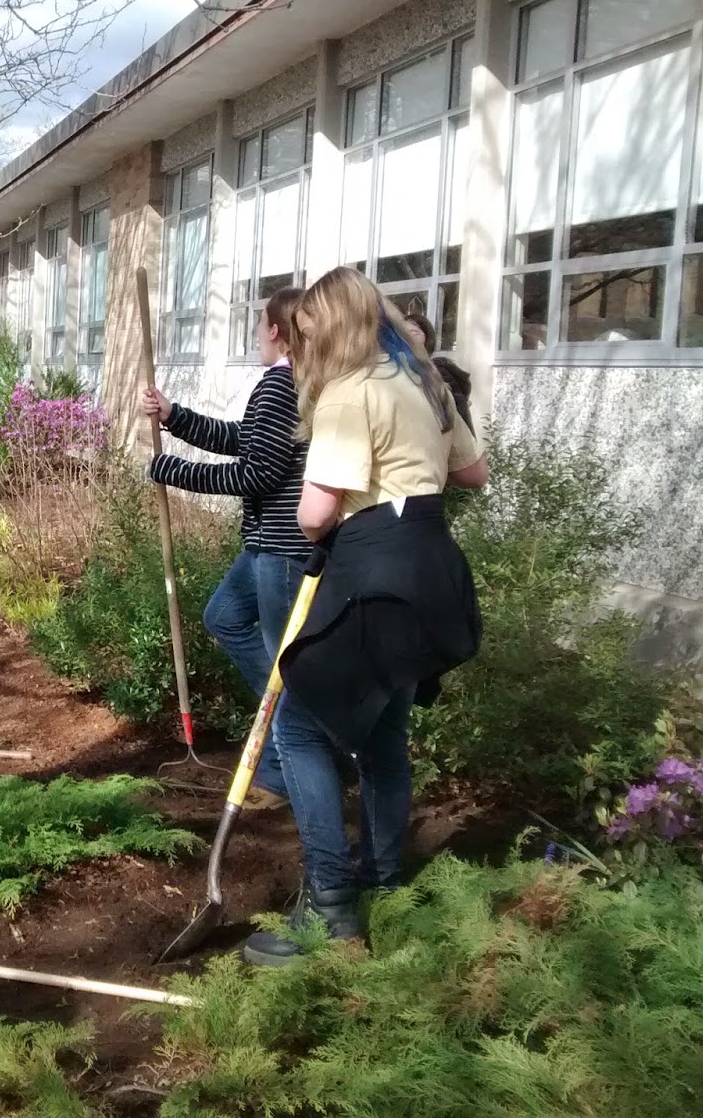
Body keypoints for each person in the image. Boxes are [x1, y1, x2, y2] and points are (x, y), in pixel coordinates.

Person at [243, 266, 489, 968]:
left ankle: (331, 909)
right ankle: (383, 879)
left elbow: (315, 514)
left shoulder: (351, 391)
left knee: (297, 727)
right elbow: (473, 474)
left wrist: (343, 506)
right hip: (432, 568)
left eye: (312, 333)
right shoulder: (423, 383)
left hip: (375, 575)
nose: (307, 347)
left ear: (336, 328)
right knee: (383, 731)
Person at [141, 287, 311, 809]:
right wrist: (174, 415)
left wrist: (175, 470)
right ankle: (288, 718)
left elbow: (258, 472)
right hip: (266, 545)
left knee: (285, 667)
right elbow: (243, 439)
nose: (258, 333)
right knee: (224, 616)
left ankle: (284, 772)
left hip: (282, 550)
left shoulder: (281, 386)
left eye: (261, 324)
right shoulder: (287, 385)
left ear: (276, 329)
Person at [400, 300, 475, 432]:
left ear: (427, 339)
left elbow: (460, 416)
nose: (409, 337)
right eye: (404, 334)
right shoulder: (393, 369)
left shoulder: (439, 371)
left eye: (415, 332)